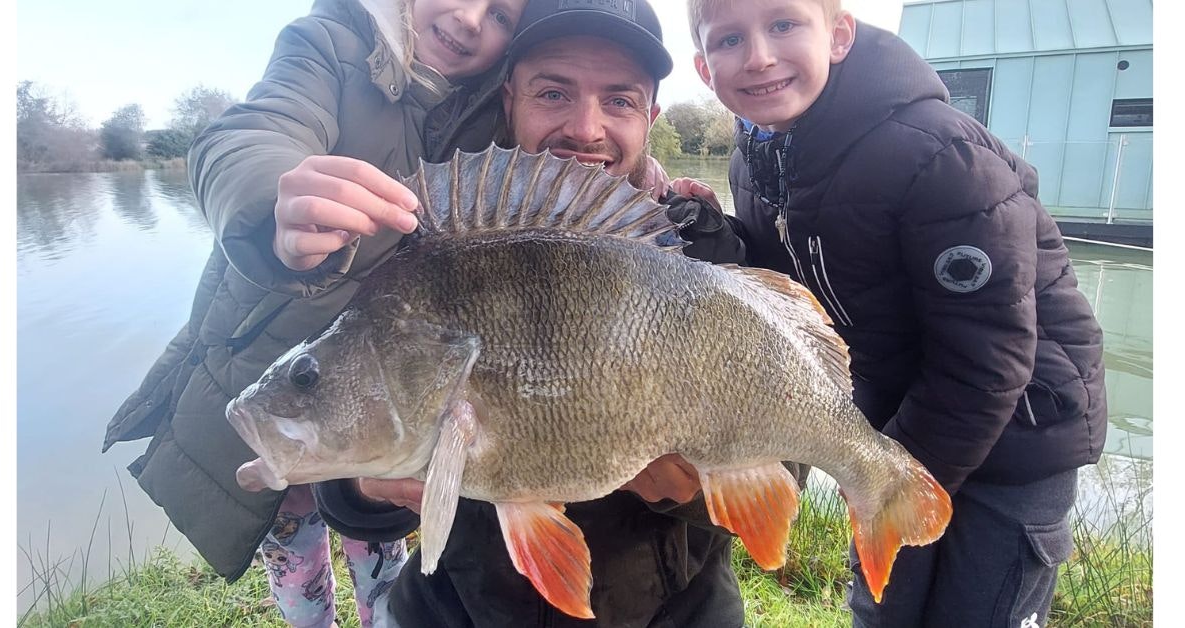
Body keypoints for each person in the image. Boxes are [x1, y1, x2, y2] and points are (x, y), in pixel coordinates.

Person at [312, 1, 763, 626]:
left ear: (650, 117)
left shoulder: (706, 251)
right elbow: (346, 499)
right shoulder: (428, 246)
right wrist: (367, 483)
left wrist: (687, 493)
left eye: (620, 100)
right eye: (553, 93)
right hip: (461, 606)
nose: (586, 128)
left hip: (678, 609)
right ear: (509, 101)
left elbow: (789, 460)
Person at [102, 0, 530, 626]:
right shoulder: (329, 45)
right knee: (292, 552)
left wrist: (642, 174)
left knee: (379, 548)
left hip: (387, 399)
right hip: (276, 380)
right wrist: (273, 199)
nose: (470, 18)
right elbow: (249, 134)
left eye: (502, 17)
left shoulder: (493, 111)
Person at [684, 0, 1108, 626]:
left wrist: (885, 475)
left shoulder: (937, 154)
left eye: (783, 24)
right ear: (702, 68)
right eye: (728, 40)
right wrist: (707, 226)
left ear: (839, 36)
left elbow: (989, 354)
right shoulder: (753, 159)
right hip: (898, 427)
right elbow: (781, 285)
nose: (760, 57)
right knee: (884, 608)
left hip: (1020, 433)